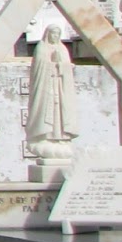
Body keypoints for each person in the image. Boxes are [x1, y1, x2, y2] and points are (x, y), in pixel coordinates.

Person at [25, 25, 77, 155]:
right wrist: (52, 64)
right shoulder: (41, 48)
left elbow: (67, 67)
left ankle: (60, 136)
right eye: (53, 33)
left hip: (59, 86)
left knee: (59, 112)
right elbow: (39, 68)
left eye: (58, 34)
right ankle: (45, 135)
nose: (55, 36)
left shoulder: (62, 49)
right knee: (46, 110)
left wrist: (61, 65)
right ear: (48, 34)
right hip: (46, 87)